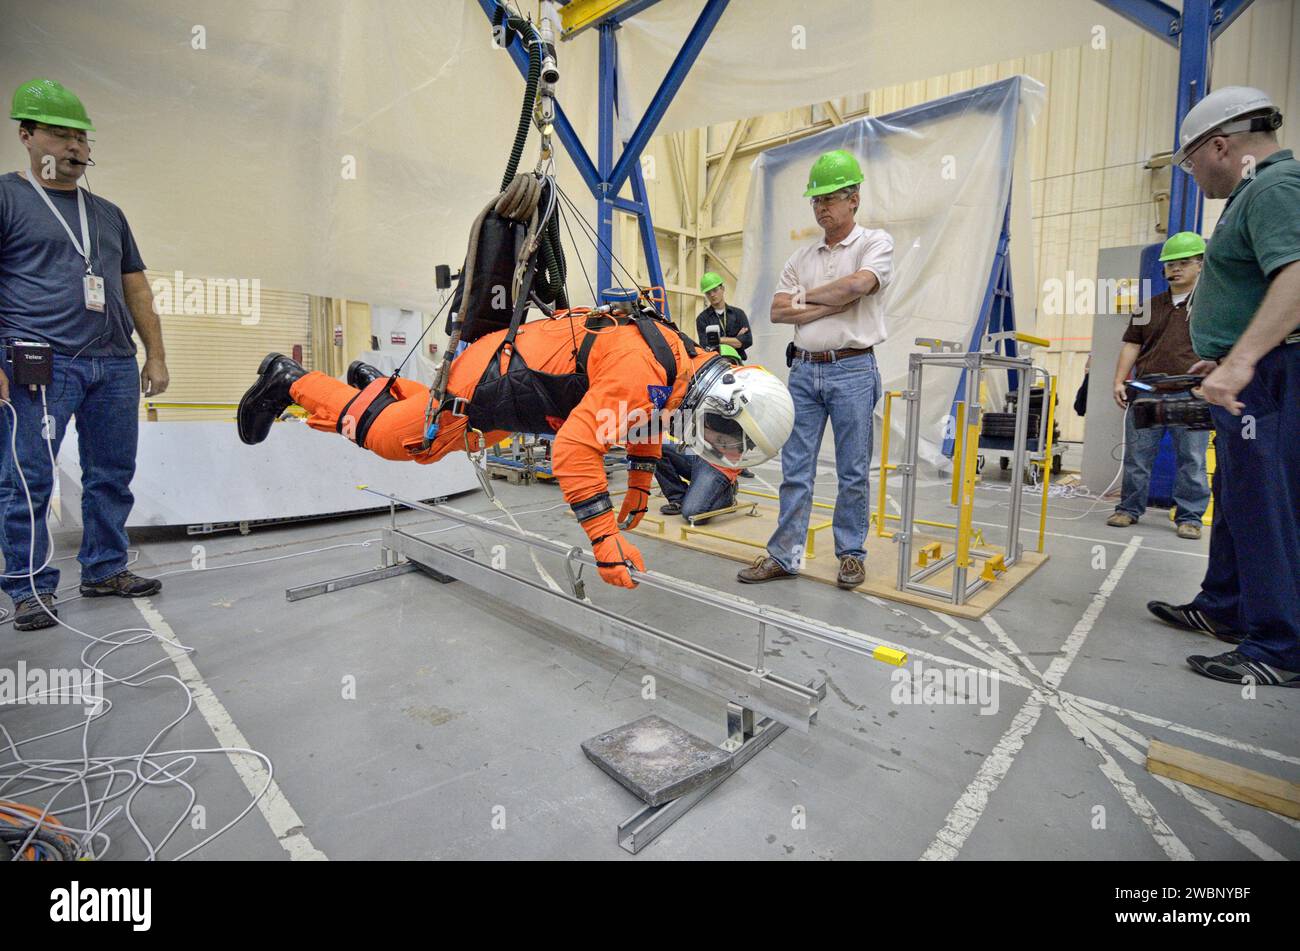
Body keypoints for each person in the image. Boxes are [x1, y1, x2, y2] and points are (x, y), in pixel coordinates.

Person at [237, 306, 794, 589]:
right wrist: (604, 541)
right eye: (725, 435)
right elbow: (574, 452)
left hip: (521, 388)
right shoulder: (644, 369)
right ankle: (289, 380)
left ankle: (381, 391)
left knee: (443, 441)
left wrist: (641, 491)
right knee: (399, 439)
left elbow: (639, 420)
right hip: (498, 379)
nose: (717, 444)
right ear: (725, 397)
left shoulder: (676, 368)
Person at [1145, 86, 1300, 688]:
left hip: (1271, 378)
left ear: (1220, 145)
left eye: (1190, 162)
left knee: (1267, 505)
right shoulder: (1254, 191)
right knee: (1237, 500)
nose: (1191, 174)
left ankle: (1280, 646)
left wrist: (1243, 362)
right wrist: (1226, 359)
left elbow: (1295, 276)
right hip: (1251, 376)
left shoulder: (1273, 189)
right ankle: (1225, 607)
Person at [1, 79, 168, 632]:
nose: (73, 147)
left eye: (80, 137)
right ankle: (29, 589)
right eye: (57, 134)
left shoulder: (108, 213)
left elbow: (136, 289)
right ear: (26, 136)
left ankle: (104, 568)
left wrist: (155, 355)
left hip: (114, 362)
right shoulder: (6, 198)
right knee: (28, 478)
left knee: (112, 473)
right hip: (38, 362)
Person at [737, 149, 892, 590]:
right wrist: (834, 300)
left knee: (853, 470)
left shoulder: (874, 244)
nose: (822, 207)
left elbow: (859, 285)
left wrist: (809, 301)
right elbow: (777, 311)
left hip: (853, 371)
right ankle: (784, 555)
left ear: (854, 198)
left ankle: (850, 555)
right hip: (804, 372)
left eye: (830, 198)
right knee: (796, 467)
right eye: (816, 200)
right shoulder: (800, 258)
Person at [1107, 231, 1211, 539]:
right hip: (1148, 390)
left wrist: (1210, 383)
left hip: (1191, 393)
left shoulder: (1211, 305)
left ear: (1200, 265)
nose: (1174, 269)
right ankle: (1128, 509)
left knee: (1191, 459)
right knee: (1138, 456)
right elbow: (1131, 345)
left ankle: (1190, 516)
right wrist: (1119, 381)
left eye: (1182, 263)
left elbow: (1226, 347)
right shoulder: (1148, 306)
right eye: (1169, 264)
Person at [655, 346, 744, 520]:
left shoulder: (742, 405)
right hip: (698, 455)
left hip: (720, 466)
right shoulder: (707, 395)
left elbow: (731, 443)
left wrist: (693, 431)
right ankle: (678, 497)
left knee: (693, 513)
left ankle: (726, 495)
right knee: (654, 446)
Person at [695, 272, 752, 361]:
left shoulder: (738, 314)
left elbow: (748, 340)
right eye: (708, 293)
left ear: (722, 288)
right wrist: (735, 339)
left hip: (736, 361)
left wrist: (719, 340)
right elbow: (705, 346)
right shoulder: (702, 319)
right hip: (715, 363)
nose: (712, 295)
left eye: (714, 290)